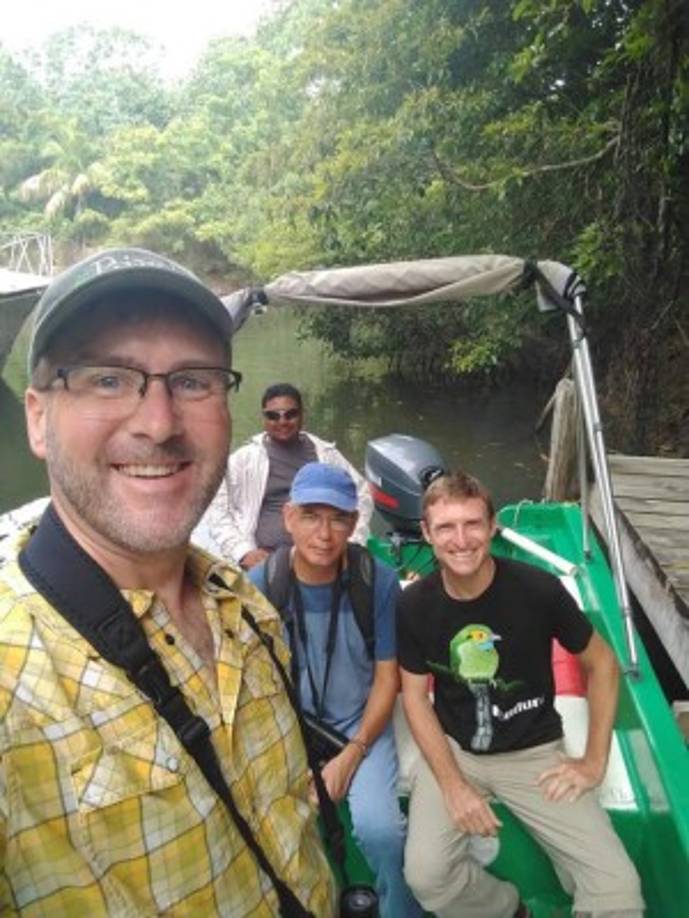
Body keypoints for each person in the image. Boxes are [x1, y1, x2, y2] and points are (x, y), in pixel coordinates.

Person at [0, 248, 335, 916]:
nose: (158, 423)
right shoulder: (15, 682)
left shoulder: (245, 604)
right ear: (37, 417)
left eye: (192, 381)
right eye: (106, 379)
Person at [397, 471, 645, 918]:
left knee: (618, 889)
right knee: (427, 876)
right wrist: (453, 786)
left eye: (473, 524)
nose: (461, 540)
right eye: (446, 527)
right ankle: (506, 909)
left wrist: (594, 761)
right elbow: (415, 698)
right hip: (456, 754)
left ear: (493, 526)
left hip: (533, 755)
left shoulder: (538, 589)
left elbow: (603, 663)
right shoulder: (413, 604)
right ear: (427, 534)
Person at [249, 462, 423, 918]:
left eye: (338, 518)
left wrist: (353, 751)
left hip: (361, 723)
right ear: (289, 517)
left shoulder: (376, 581)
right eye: (311, 516)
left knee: (381, 831)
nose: (324, 534)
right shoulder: (261, 586)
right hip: (289, 724)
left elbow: (387, 677)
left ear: (354, 522)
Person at [203, 383, 373, 568]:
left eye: (290, 414)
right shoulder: (244, 460)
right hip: (264, 559)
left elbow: (362, 493)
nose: (282, 421)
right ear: (264, 418)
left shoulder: (325, 455)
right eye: (273, 416)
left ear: (302, 415)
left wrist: (351, 541)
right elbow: (216, 508)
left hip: (322, 556)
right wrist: (243, 552)